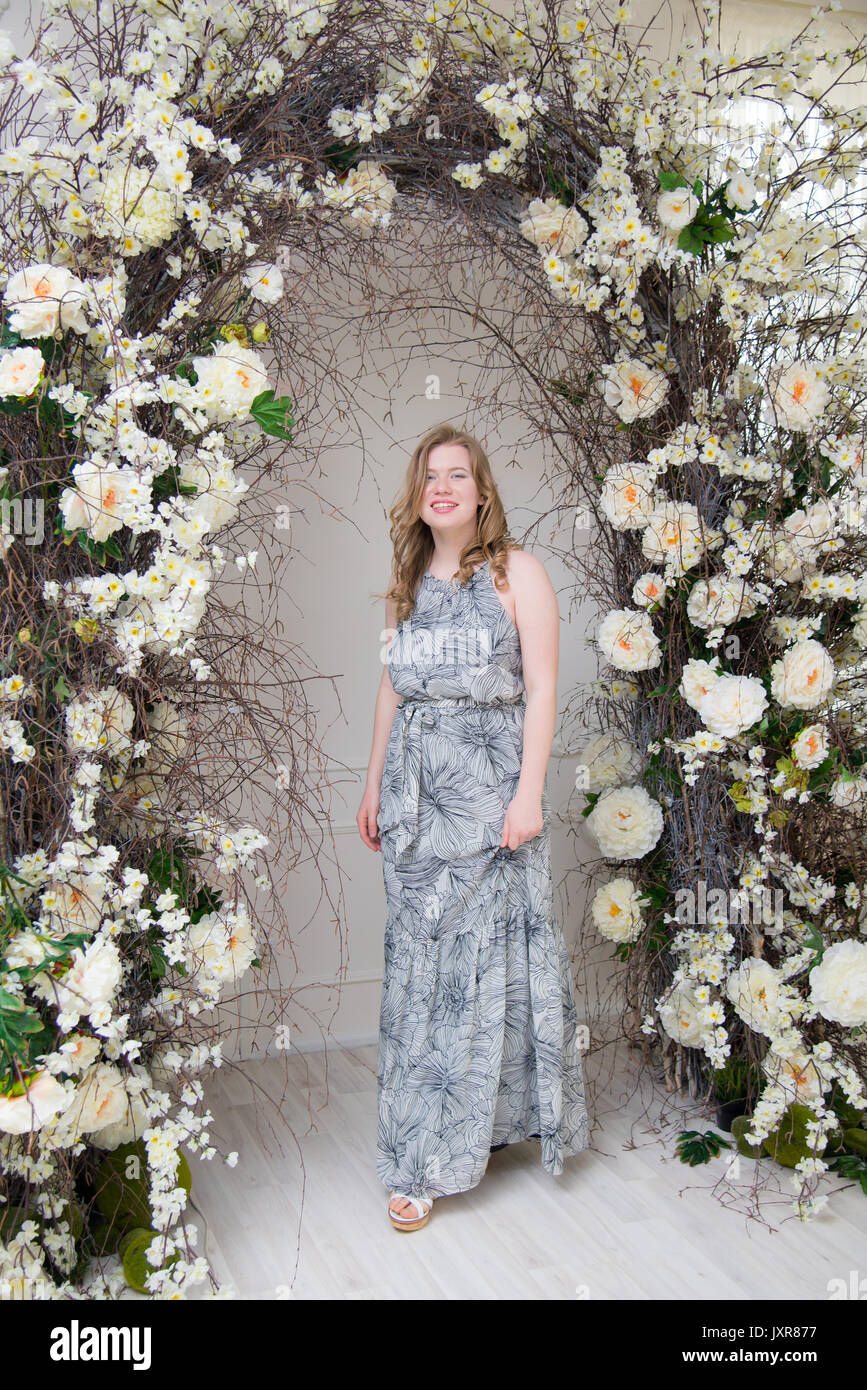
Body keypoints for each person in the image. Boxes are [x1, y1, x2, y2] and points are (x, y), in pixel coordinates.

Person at [357, 422, 589, 1232]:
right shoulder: (408, 578)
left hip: (490, 796)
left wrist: (529, 794)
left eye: (458, 475)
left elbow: (542, 689)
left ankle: (442, 1155)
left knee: (482, 968)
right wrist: (371, 783)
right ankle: (428, 1141)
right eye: (430, 477)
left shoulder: (517, 573)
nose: (443, 487)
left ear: (482, 492)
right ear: (418, 496)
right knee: (422, 976)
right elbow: (392, 687)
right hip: (414, 798)